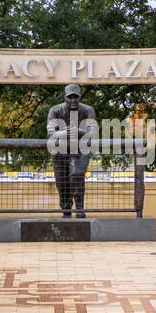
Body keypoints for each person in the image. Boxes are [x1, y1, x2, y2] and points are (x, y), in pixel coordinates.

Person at [46, 84, 97, 218]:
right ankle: (66, 209)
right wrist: (65, 132)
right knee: (61, 182)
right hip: (59, 151)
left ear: (79, 97)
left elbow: (93, 132)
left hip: (80, 150)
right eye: (70, 97)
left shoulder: (87, 110)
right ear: (65, 98)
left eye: (75, 97)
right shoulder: (55, 110)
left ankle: (80, 208)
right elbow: (51, 132)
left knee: (77, 175)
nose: (73, 100)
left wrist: (80, 131)